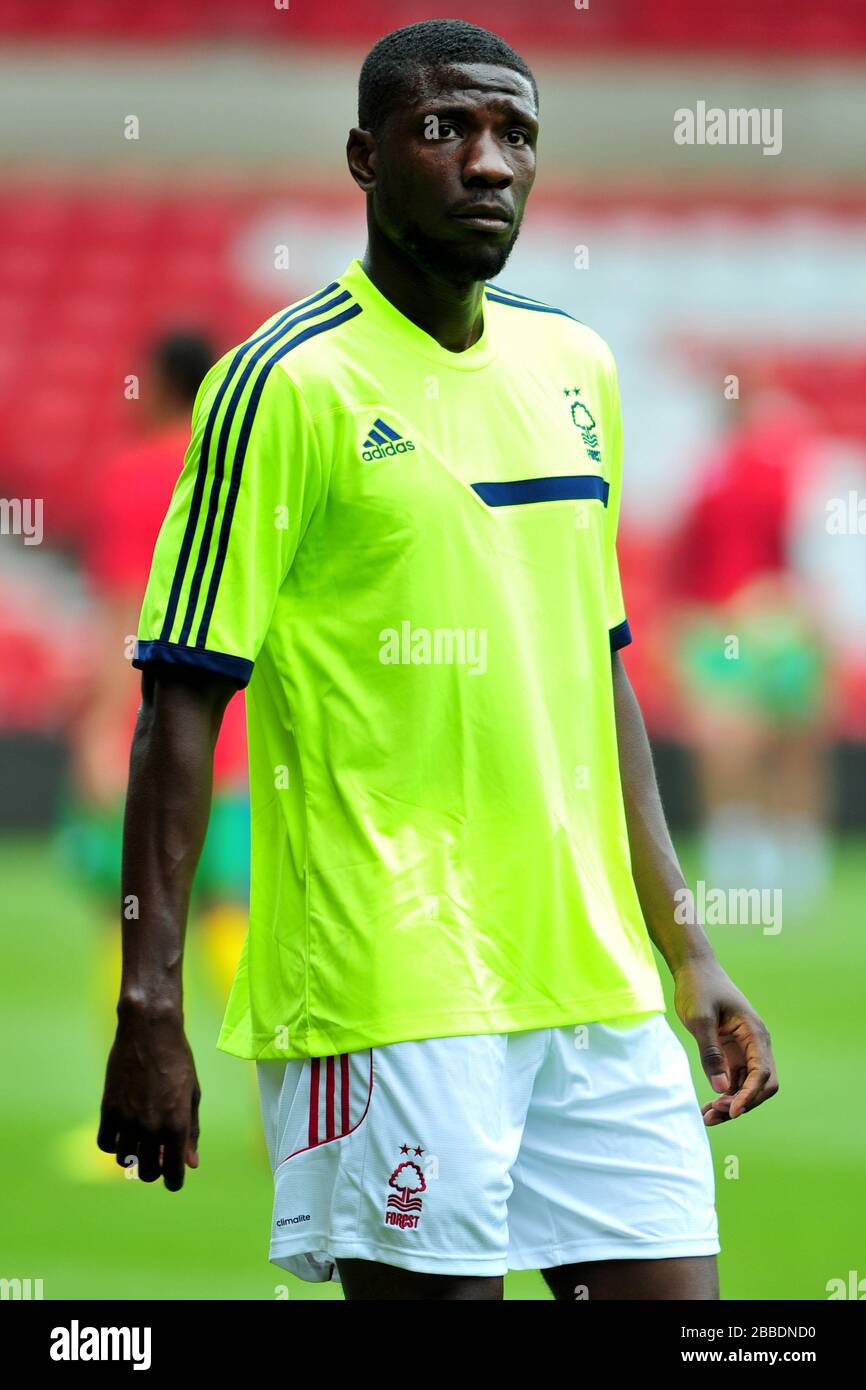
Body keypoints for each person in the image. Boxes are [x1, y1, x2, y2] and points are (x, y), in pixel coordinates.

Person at [98, 19, 778, 1301]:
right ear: (365, 156)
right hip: (388, 979)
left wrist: (685, 947)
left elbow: (601, 670)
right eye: (444, 129)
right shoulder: (280, 386)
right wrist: (151, 1004)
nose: (487, 163)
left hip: (591, 983)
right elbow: (178, 702)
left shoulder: (574, 364)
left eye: (514, 134)